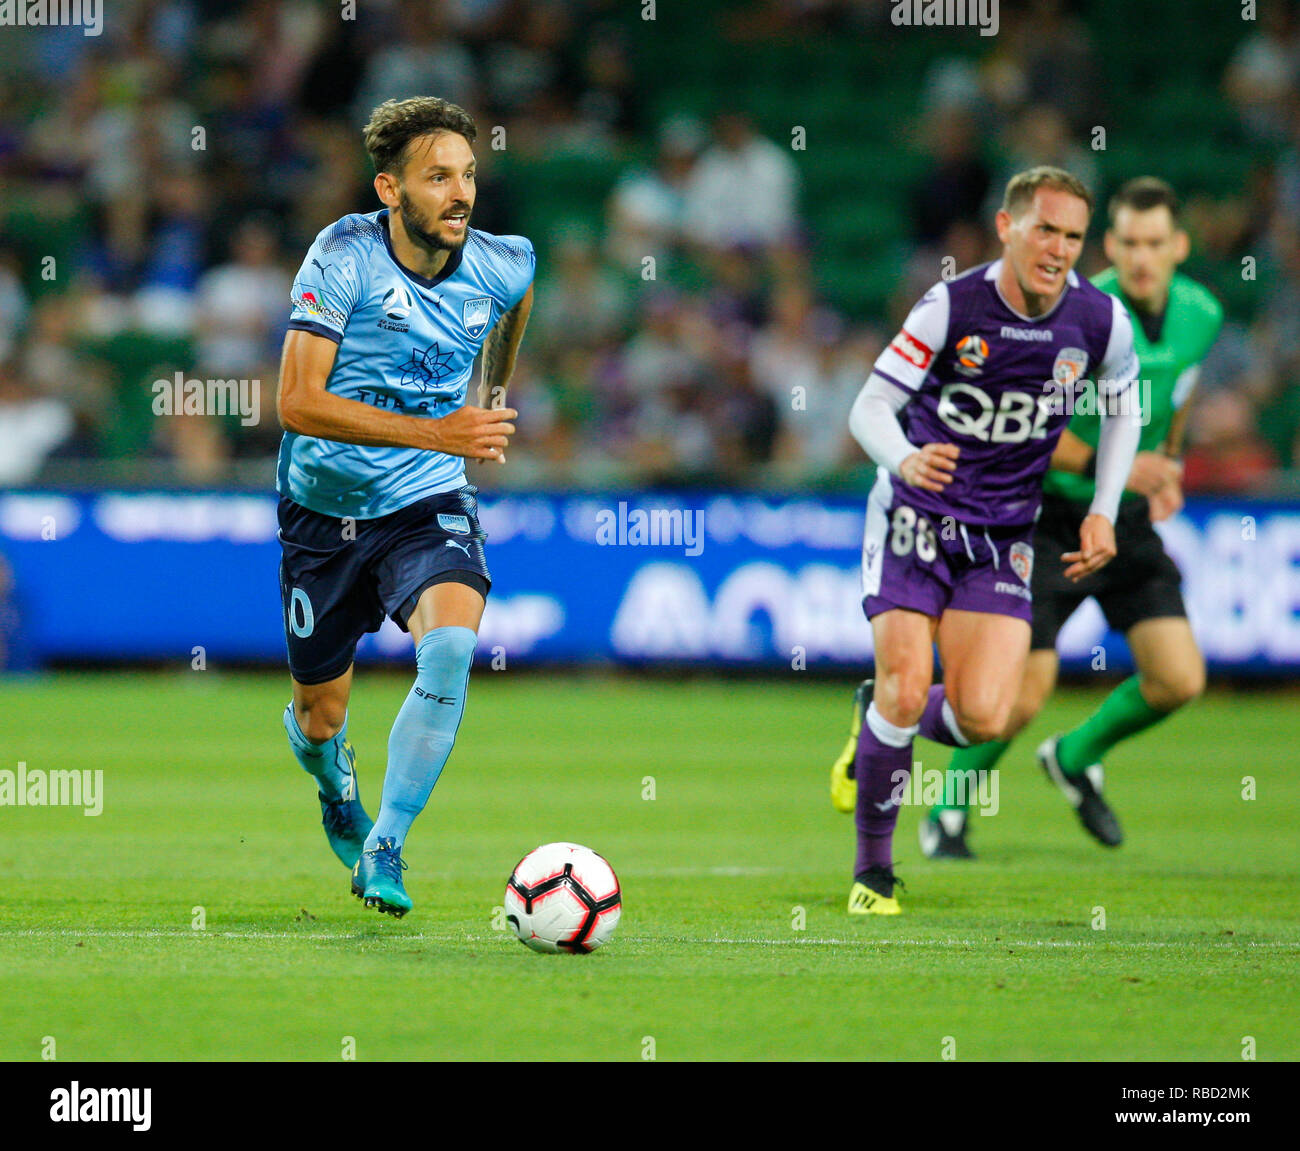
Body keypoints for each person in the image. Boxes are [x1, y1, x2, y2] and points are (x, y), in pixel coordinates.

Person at [828, 165, 1142, 915]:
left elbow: (1126, 409)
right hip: (915, 519)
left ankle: (877, 714)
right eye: (1045, 230)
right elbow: (868, 408)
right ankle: (873, 874)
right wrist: (904, 458)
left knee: (986, 717)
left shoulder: (1100, 321)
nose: (1059, 248)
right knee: (910, 687)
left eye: (1073, 235)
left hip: (1005, 535)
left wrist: (1104, 507)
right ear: (1008, 227)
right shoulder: (951, 305)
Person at [275, 96, 533, 918]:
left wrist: (488, 394)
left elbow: (518, 294)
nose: (459, 194)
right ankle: (335, 782)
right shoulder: (341, 258)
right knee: (321, 717)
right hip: (324, 509)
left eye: (467, 175)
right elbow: (296, 402)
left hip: (426, 498)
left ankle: (387, 841)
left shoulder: (501, 263)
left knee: (452, 645)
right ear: (389, 189)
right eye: (437, 178)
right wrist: (442, 425)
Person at [918, 177, 1222, 858]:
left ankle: (1076, 754)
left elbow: (1181, 391)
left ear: (1179, 245)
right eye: (1129, 243)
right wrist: (1113, 469)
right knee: (1022, 693)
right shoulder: (1075, 311)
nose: (1142, 258)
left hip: (1124, 515)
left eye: (1155, 243)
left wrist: (1167, 461)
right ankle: (948, 810)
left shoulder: (1202, 313)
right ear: (1109, 246)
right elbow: (1023, 423)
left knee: (1179, 678)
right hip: (1048, 513)